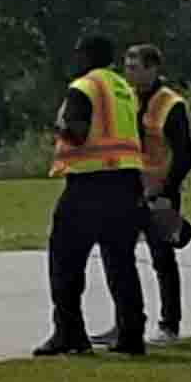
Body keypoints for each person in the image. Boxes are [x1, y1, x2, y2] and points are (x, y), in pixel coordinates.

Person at [37, 32, 149, 358]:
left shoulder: (84, 88)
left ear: (86, 56)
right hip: (127, 183)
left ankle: (70, 333)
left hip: (89, 184)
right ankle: (131, 336)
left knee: (65, 261)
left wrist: (58, 128)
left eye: (78, 54)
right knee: (120, 263)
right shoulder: (123, 89)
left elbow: (77, 132)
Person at [127, 42, 191, 343]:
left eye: (135, 66)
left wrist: (167, 191)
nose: (129, 72)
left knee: (162, 257)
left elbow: (183, 155)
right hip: (129, 189)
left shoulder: (170, 104)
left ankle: (170, 325)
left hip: (159, 191)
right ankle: (127, 321)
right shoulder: (125, 98)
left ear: (153, 68)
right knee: (120, 256)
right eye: (127, 66)